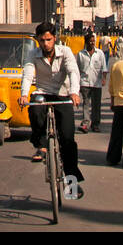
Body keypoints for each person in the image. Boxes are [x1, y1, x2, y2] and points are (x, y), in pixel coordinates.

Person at [19, 22, 85, 195]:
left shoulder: (66, 52)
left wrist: (74, 92)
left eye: (48, 40)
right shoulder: (33, 54)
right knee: (34, 108)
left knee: (68, 142)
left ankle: (71, 185)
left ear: (55, 38)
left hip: (63, 94)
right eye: (42, 41)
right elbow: (27, 75)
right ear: (38, 41)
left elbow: (73, 72)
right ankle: (41, 144)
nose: (46, 44)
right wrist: (24, 94)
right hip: (43, 92)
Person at [76, 33, 107, 133]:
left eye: (93, 41)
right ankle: (85, 123)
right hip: (84, 83)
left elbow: (104, 68)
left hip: (96, 83)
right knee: (86, 103)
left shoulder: (100, 53)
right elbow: (77, 69)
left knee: (96, 105)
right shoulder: (81, 54)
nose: (92, 43)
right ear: (86, 42)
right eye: (90, 41)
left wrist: (103, 79)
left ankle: (96, 124)